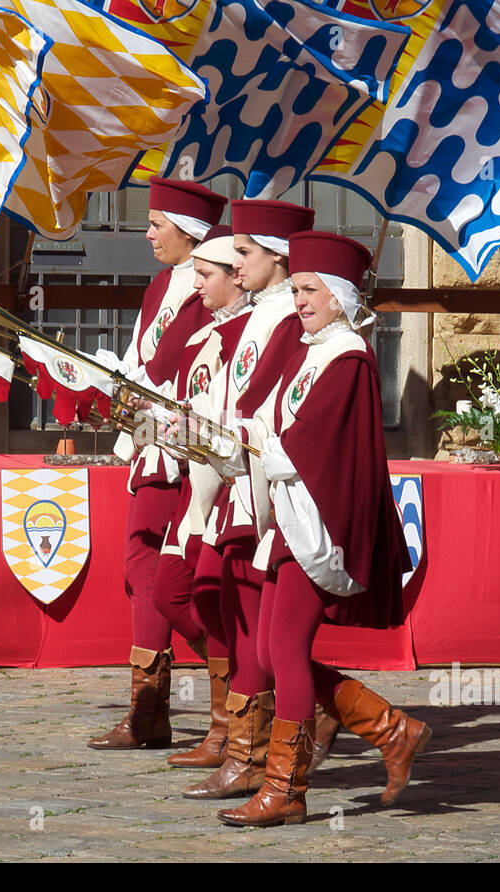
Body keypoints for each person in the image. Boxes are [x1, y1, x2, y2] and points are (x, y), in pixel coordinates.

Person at [215, 231, 430, 827]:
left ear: (339, 297)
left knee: (283, 648)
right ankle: (390, 728)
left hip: (319, 520)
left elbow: (316, 444)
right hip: (289, 514)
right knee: (268, 647)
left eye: (310, 290)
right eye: (297, 289)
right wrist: (223, 443)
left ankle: (286, 790)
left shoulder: (348, 358)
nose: (300, 299)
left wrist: (253, 445)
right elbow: (269, 427)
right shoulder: (309, 350)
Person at [177, 199, 325, 799]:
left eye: (244, 253)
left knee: (259, 631)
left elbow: (266, 409)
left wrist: (235, 456)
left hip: (263, 488)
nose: (234, 266)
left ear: (277, 257)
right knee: (237, 619)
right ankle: (249, 750)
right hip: (237, 478)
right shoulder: (261, 315)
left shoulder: (286, 319)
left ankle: (257, 757)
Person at [88, 177, 227, 751]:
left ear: (189, 233)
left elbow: (180, 382)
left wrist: (130, 402)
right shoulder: (159, 288)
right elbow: (140, 365)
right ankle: (154, 712)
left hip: (179, 449)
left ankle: (225, 699)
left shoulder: (206, 291)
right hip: (150, 443)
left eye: (156, 225)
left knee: (155, 577)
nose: (147, 234)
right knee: (139, 571)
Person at [148, 224, 253, 768]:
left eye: (205, 275)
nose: (197, 285)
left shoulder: (247, 335)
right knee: (171, 595)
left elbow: (230, 426)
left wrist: (184, 432)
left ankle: (231, 727)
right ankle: (230, 714)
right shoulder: (202, 335)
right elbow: (182, 410)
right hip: (193, 483)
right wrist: (143, 424)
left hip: (223, 491)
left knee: (212, 604)